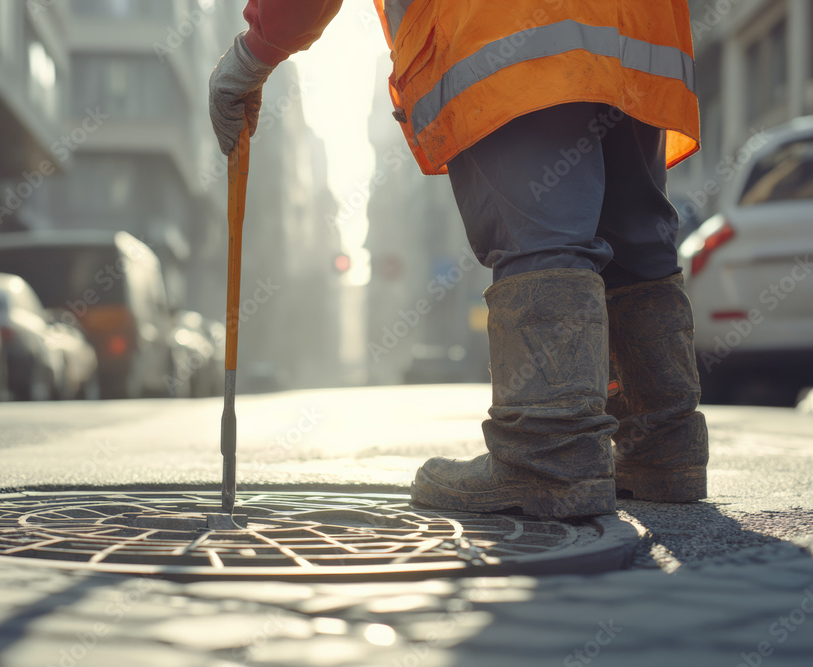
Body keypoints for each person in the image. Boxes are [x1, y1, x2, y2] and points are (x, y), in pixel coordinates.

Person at [209, 0, 708, 519]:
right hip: (636, 29)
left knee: (543, 236)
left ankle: (549, 456)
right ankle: (661, 448)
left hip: (509, 26)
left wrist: (257, 50)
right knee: (636, 238)